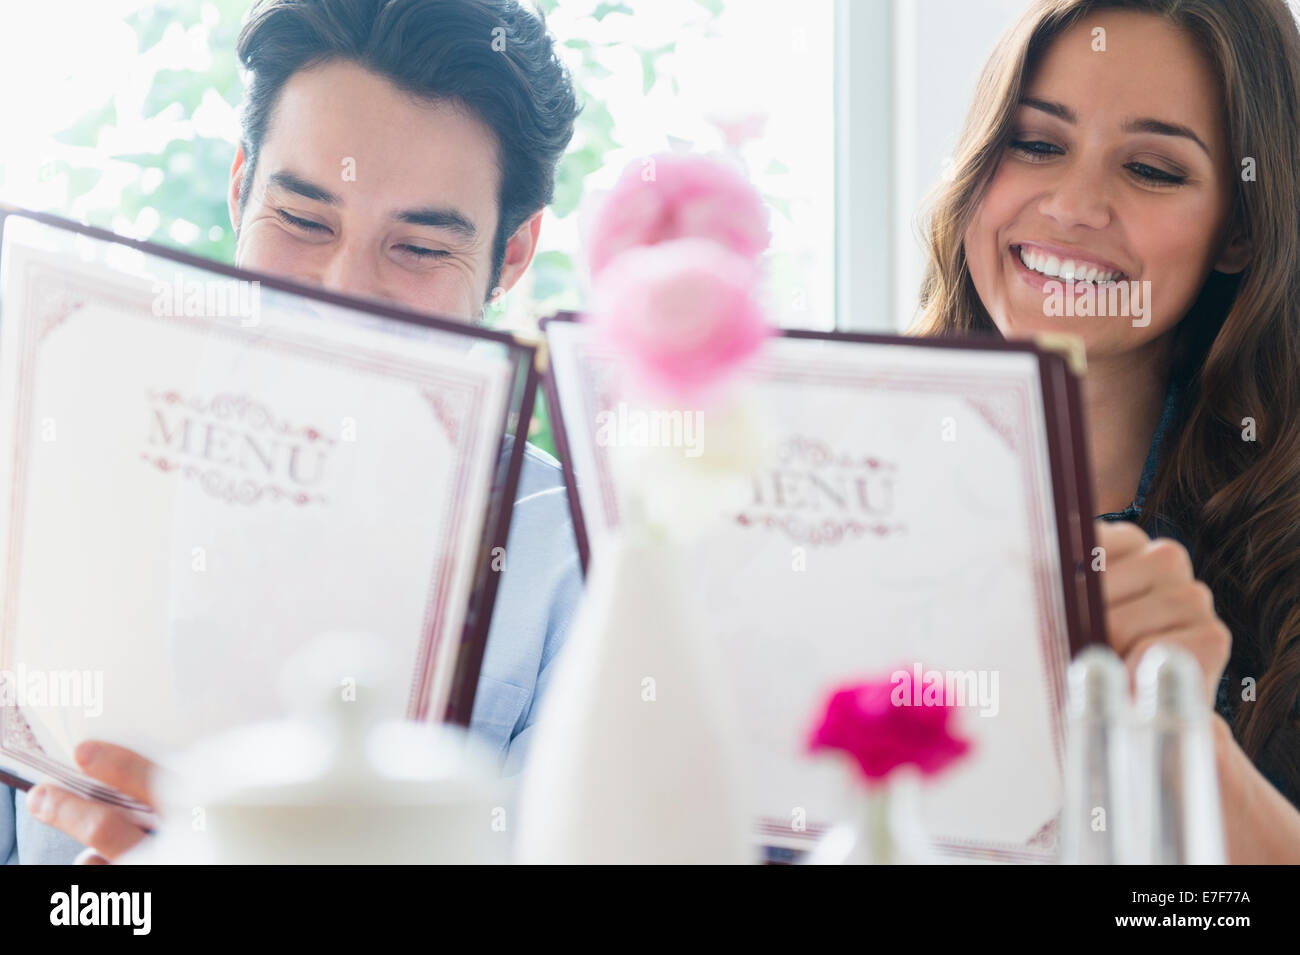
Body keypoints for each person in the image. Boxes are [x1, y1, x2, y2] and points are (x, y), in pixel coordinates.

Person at [1, 0, 582, 864]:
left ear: (513, 254)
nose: (342, 292)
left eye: (421, 248)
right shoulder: (54, 453)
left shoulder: (573, 558)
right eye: (305, 222)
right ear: (241, 188)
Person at [911, 0, 1300, 861]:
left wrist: (1186, 743)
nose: (1075, 206)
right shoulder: (845, 481)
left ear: (1239, 229)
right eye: (1036, 144)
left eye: (1152, 169)